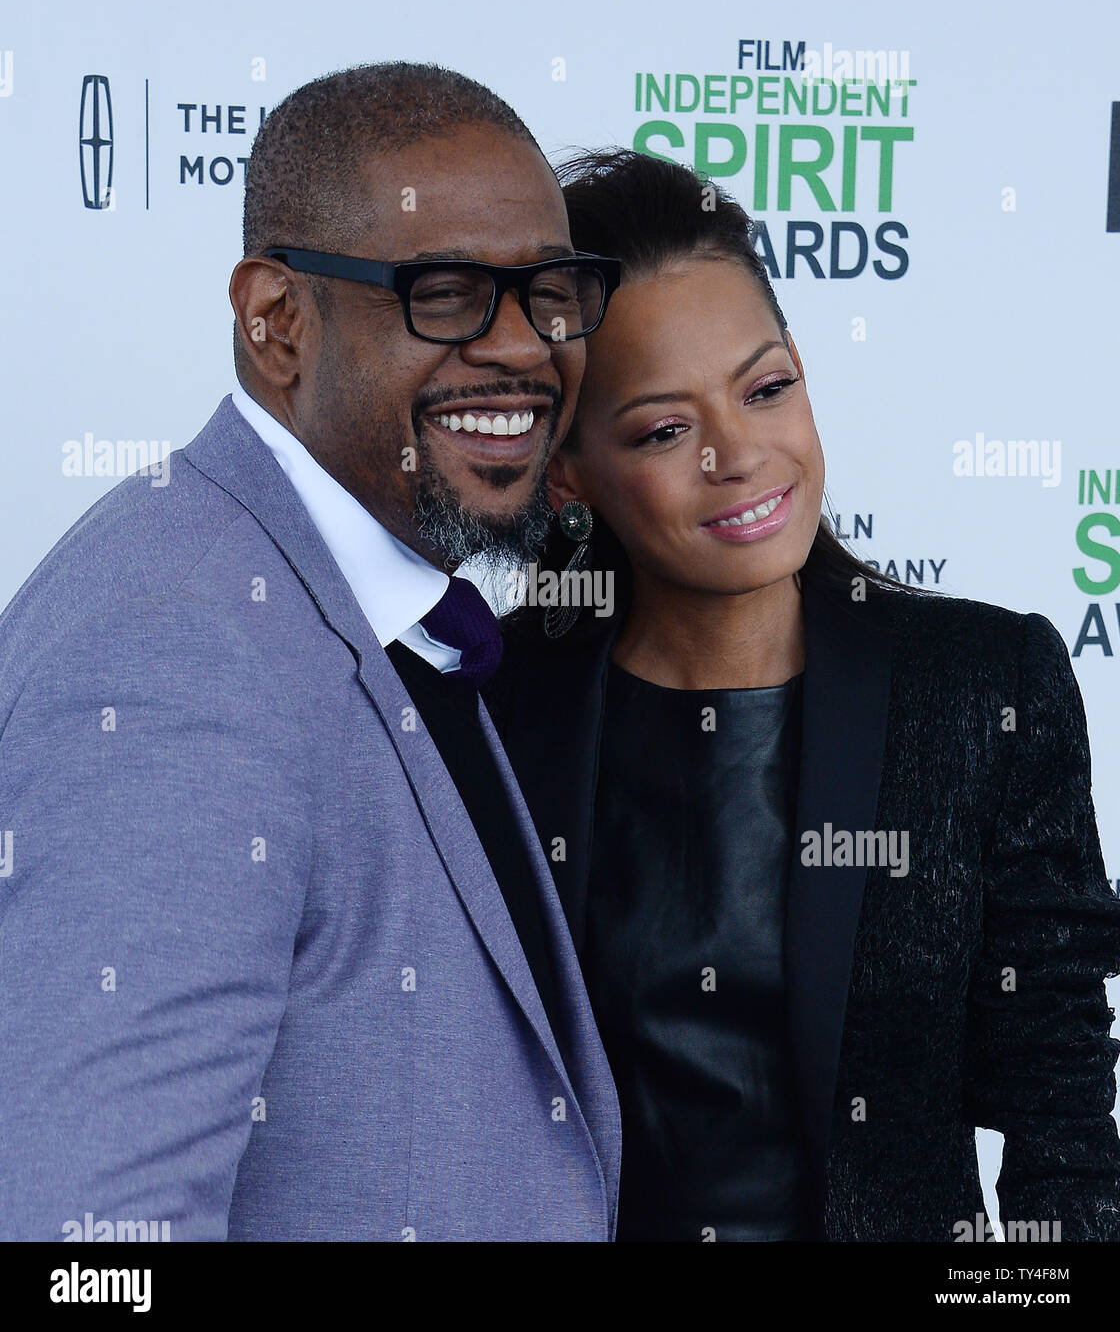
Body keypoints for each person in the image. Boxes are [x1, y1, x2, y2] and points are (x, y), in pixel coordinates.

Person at [0, 63, 623, 1241]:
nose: (521, 350)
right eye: (443, 293)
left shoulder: (363, 595)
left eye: (547, 292)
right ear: (275, 320)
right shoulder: (174, 648)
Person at [484, 148, 1120, 1242]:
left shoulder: (982, 686)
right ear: (565, 471)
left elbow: (1058, 1103)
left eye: (766, 387)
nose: (740, 454)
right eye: (664, 430)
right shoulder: (480, 714)